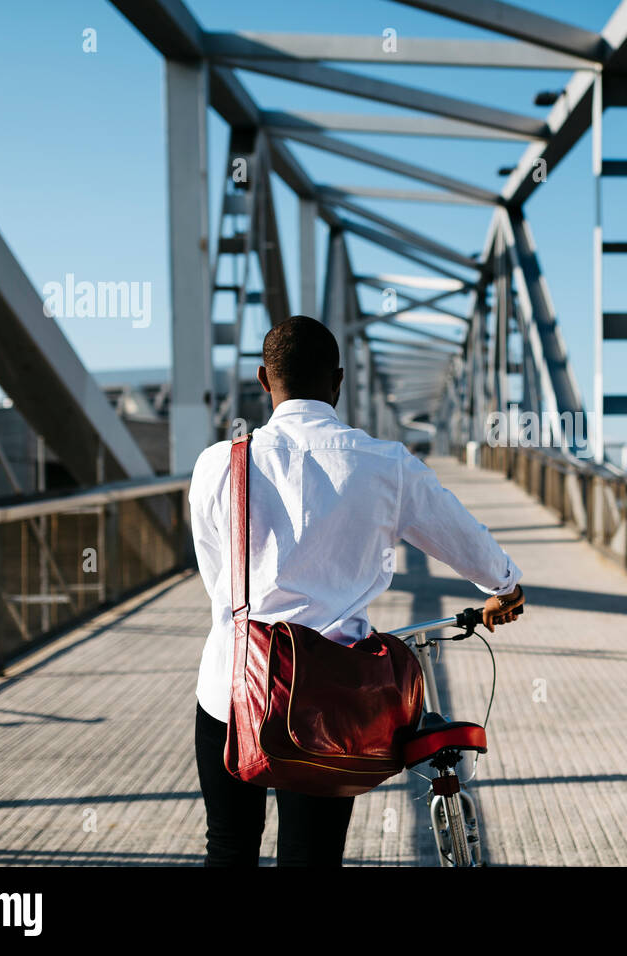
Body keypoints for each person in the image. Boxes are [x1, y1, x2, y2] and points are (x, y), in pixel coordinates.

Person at [188, 315, 525, 867]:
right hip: (329, 701)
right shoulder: (385, 465)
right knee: (312, 857)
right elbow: (463, 538)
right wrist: (503, 586)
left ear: (262, 380)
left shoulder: (219, 464)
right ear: (339, 381)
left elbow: (217, 577)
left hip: (231, 686)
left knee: (228, 845)